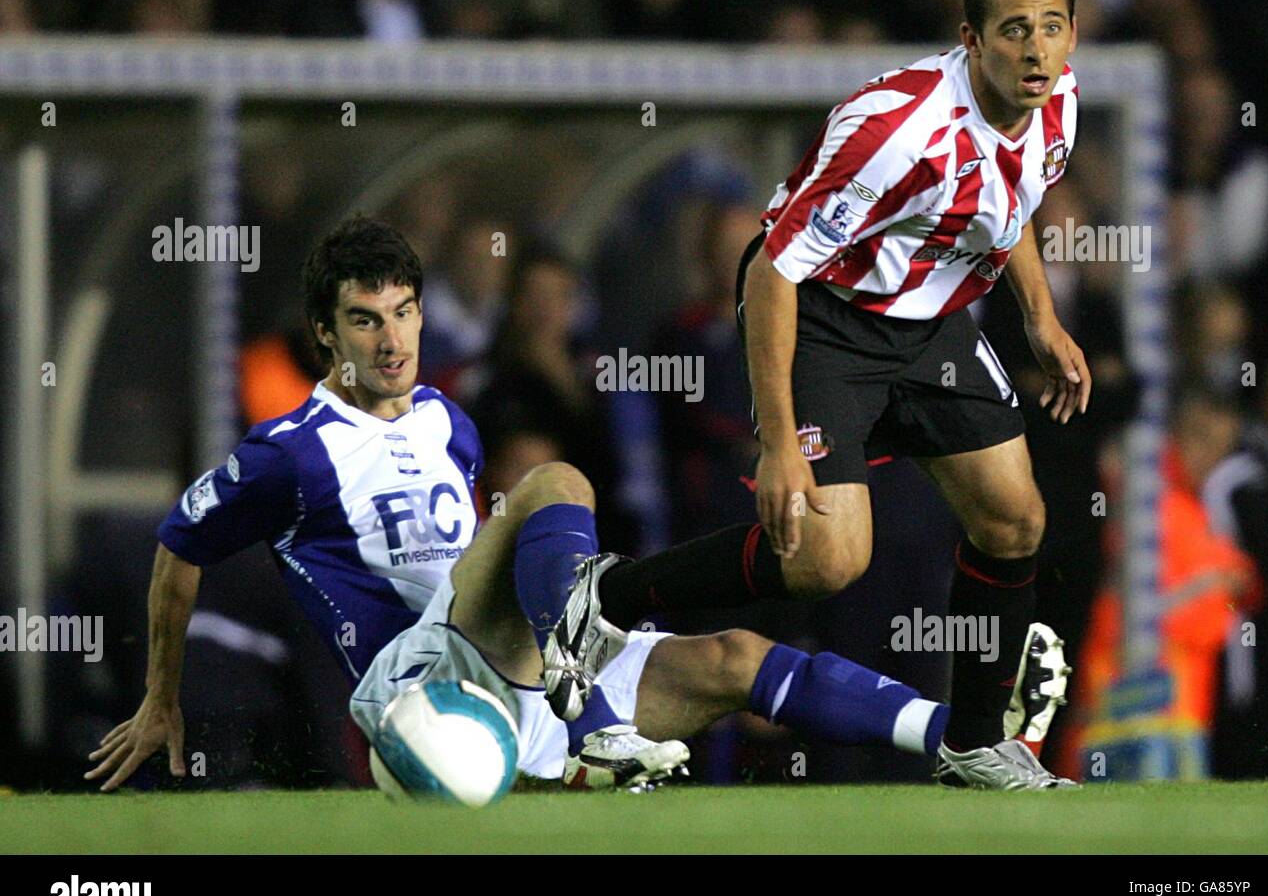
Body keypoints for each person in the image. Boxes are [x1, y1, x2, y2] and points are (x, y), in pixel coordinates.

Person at [86, 217, 1071, 793]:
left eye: (402, 312)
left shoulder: (444, 418)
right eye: (362, 318)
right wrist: (162, 694)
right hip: (425, 676)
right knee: (555, 484)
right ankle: (594, 712)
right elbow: (181, 546)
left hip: (512, 672)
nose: (389, 338)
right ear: (322, 329)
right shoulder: (286, 450)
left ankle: (962, 739)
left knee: (733, 657)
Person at [550, 0, 1089, 787]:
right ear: (970, 41)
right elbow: (773, 267)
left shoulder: (1058, 107)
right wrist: (777, 443)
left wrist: (1041, 319)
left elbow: (1006, 205)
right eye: (1014, 30)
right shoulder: (896, 130)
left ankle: (976, 742)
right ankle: (608, 595)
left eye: (1052, 29)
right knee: (825, 559)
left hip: (930, 321)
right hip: (824, 319)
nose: (1036, 50)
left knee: (1016, 520)